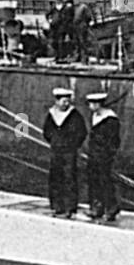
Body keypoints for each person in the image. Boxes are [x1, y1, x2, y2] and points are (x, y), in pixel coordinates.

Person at [41, 86, 87, 218]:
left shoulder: (75, 116)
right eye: (63, 101)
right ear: (57, 101)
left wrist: (72, 145)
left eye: (67, 101)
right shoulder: (51, 115)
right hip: (56, 151)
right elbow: (47, 131)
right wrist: (55, 142)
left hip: (69, 152)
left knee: (69, 178)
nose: (66, 104)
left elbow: (81, 132)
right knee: (56, 177)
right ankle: (57, 206)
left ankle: (70, 207)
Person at [86, 92, 121, 222]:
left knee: (105, 181)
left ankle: (111, 208)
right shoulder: (96, 116)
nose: (90, 106)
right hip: (94, 154)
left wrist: (108, 154)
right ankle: (97, 207)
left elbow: (113, 140)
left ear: (98, 104)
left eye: (92, 103)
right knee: (94, 180)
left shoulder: (110, 119)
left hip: (104, 155)